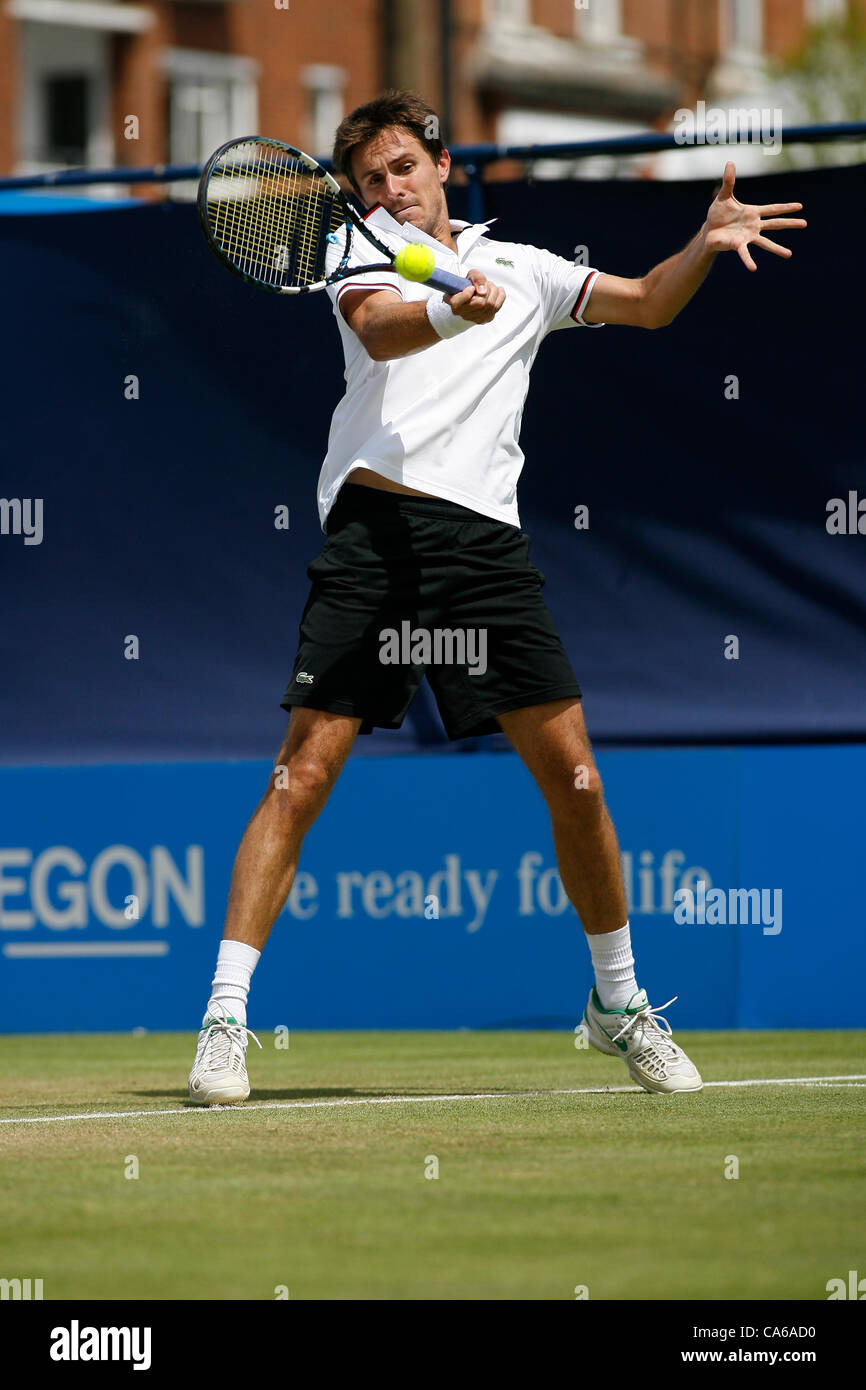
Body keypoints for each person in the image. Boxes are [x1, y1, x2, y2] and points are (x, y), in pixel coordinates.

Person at [188, 90, 805, 1105]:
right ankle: (223, 1018)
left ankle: (618, 1006)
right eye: (371, 180)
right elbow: (385, 332)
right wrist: (442, 304)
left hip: (483, 550)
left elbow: (647, 302)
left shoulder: (524, 268)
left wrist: (701, 240)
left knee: (576, 782)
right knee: (300, 776)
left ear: (439, 164)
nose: (389, 189)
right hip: (375, 538)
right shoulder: (355, 254)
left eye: (402, 168)